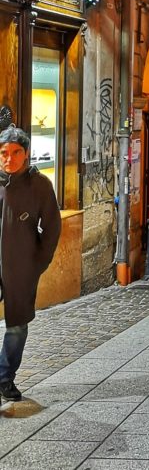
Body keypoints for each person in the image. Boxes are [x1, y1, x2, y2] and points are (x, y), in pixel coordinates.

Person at [0, 127, 62, 402]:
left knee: (16, 325)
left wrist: (37, 263)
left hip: (21, 268)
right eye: (4, 153)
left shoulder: (40, 185)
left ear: (26, 153)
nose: (9, 158)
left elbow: (52, 228)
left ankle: (4, 378)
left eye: (16, 152)